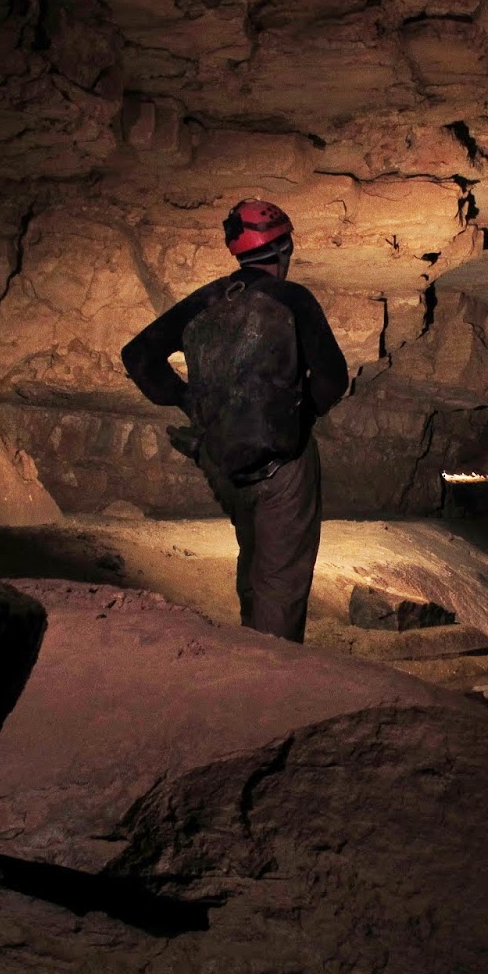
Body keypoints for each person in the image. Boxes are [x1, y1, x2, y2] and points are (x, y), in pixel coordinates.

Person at [121, 199, 348, 642]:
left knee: (253, 554)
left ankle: (248, 646)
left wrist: (189, 401)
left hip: (222, 456)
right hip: (283, 463)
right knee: (279, 579)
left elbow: (138, 355)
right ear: (282, 249)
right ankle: (269, 671)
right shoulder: (291, 298)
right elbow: (332, 379)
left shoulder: (206, 300)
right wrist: (300, 417)